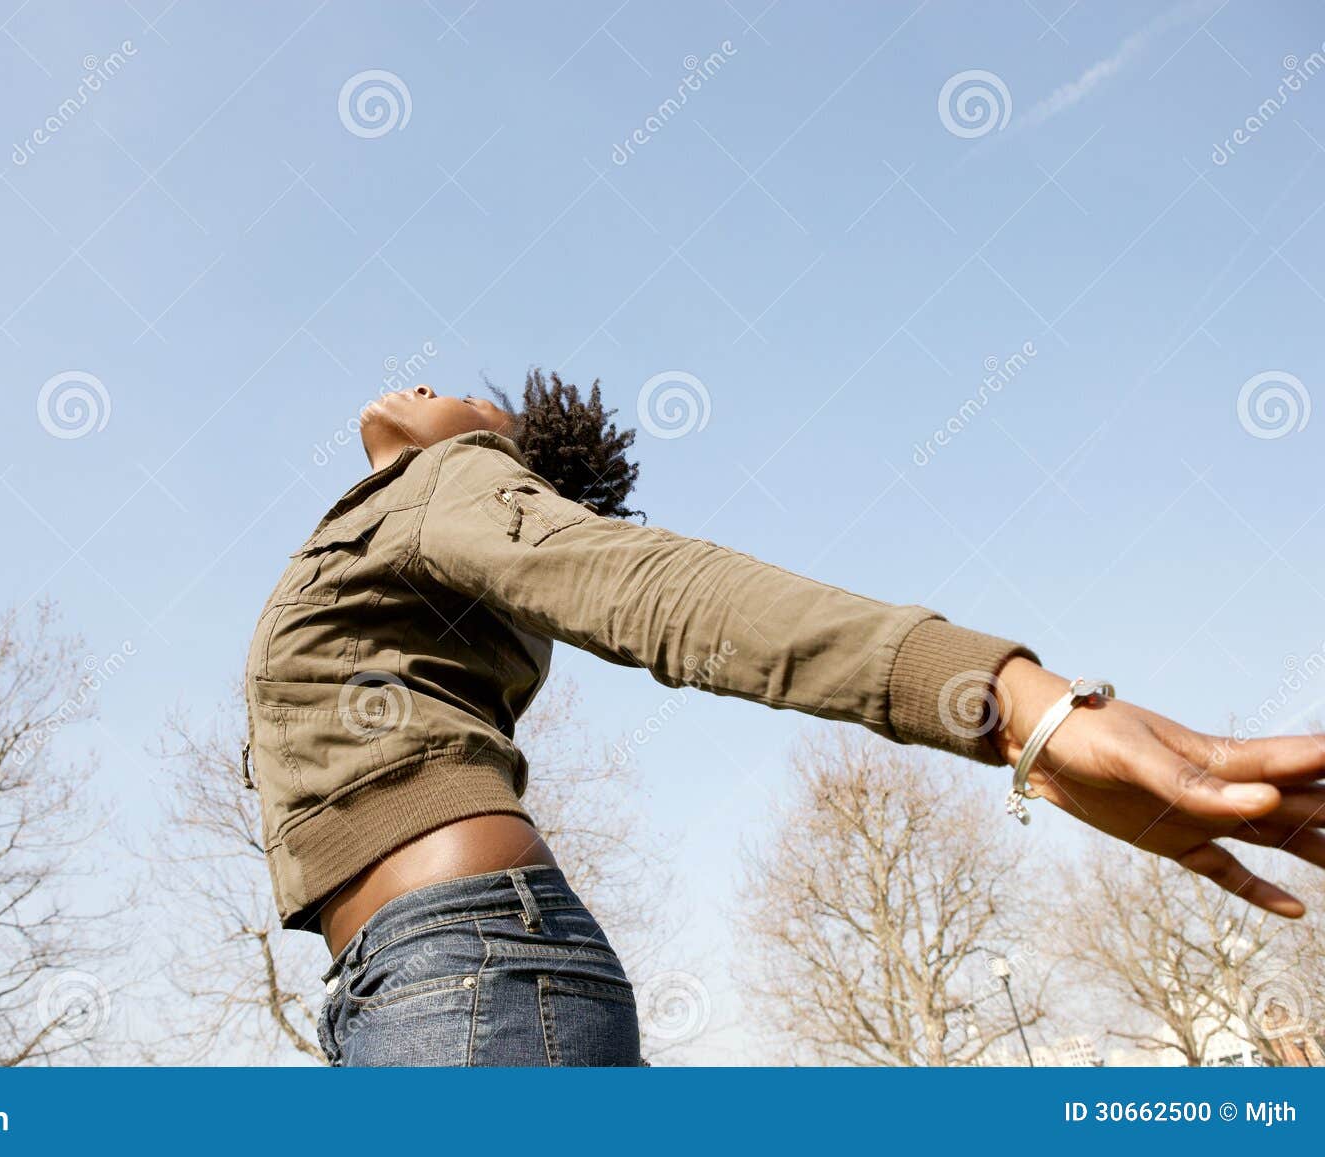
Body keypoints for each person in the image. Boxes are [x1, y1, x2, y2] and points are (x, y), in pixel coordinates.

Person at [245, 369, 1325, 1066]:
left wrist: (1013, 706)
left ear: (507, 454)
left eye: (478, 403)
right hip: (418, 971)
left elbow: (657, 590)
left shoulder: (456, 481)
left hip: (464, 968)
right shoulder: (414, 534)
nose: (432, 382)